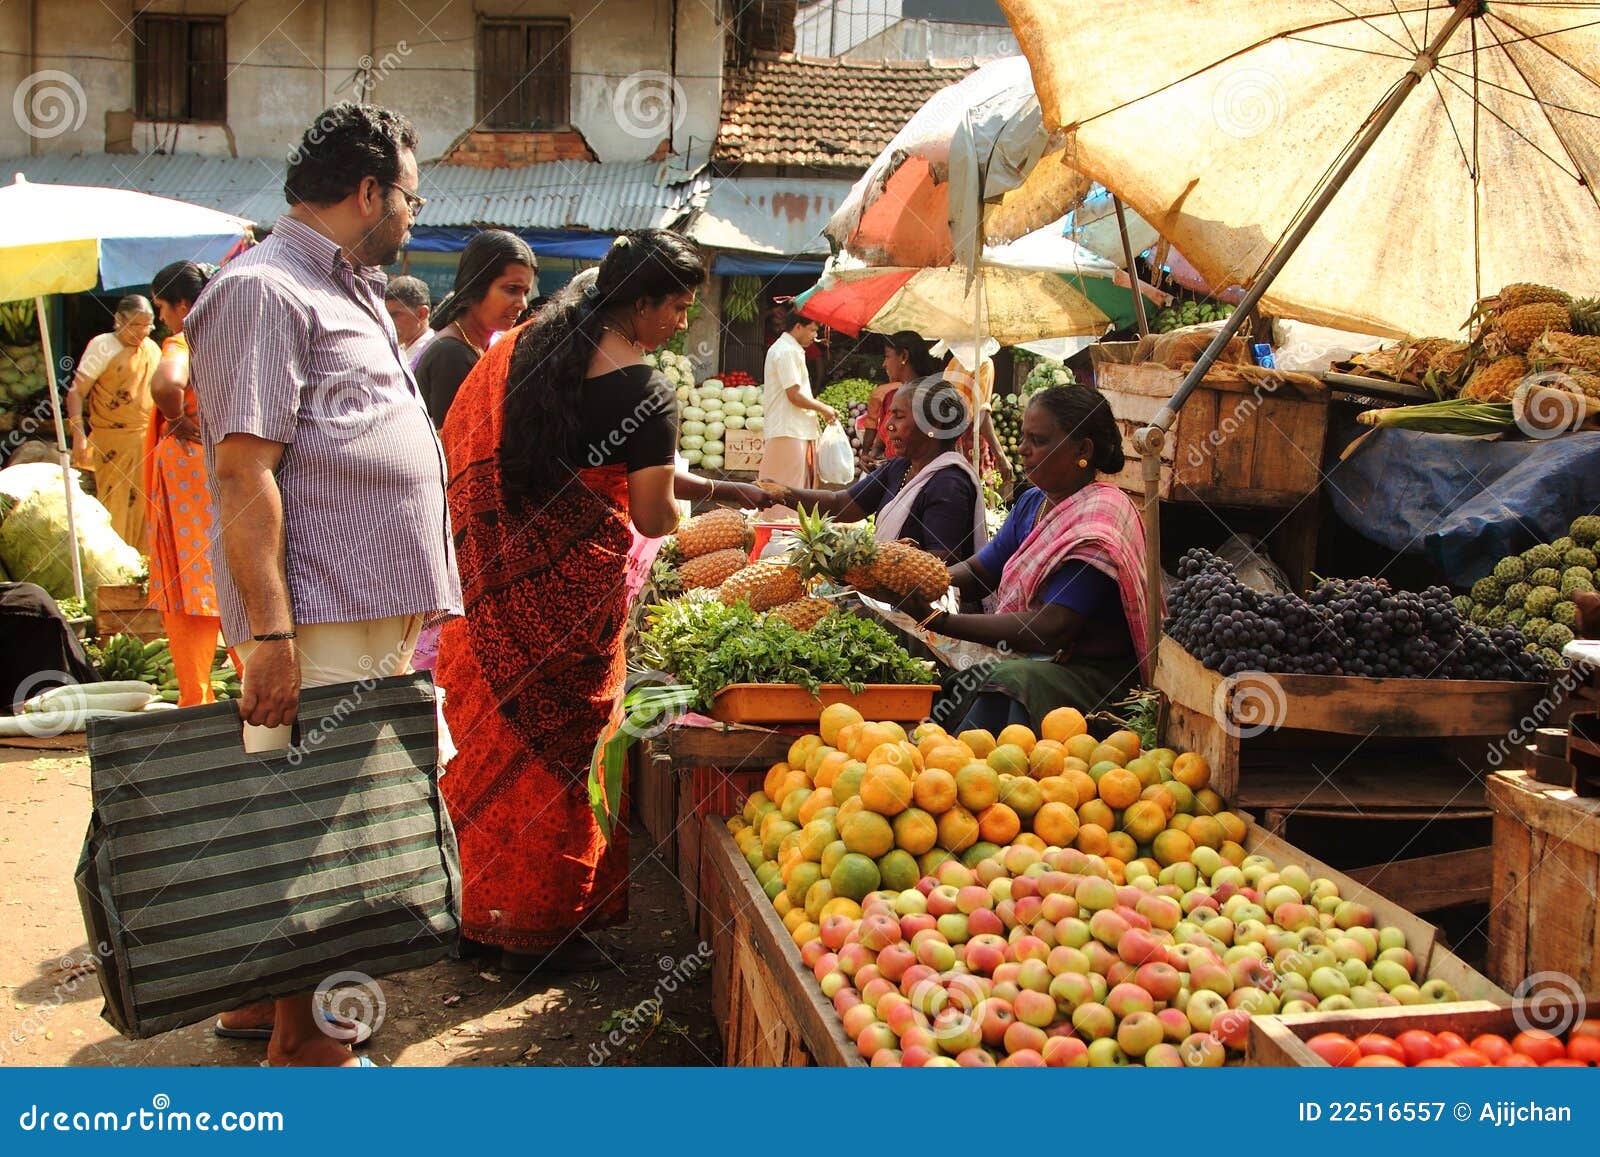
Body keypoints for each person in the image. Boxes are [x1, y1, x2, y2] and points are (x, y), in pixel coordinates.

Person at [187, 101, 459, 1068]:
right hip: (315, 611)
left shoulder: (346, 284)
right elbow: (242, 471)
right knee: (329, 822)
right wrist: (272, 634)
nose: (415, 218)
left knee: (309, 805)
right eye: (411, 199)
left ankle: (270, 1009)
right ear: (369, 192)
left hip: (354, 605)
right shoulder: (264, 289)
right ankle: (314, 1045)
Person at [435, 229, 771, 974]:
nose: (682, 322)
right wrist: (702, 515)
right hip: (575, 602)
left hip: (489, 591)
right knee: (562, 755)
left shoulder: (517, 352)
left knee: (491, 743)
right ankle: (547, 920)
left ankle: (475, 909)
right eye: (677, 307)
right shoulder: (645, 393)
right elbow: (653, 518)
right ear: (641, 303)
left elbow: (466, 456)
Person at [897, 384, 1154, 732]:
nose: (1022, 449)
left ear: (1083, 449)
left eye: (1038, 440)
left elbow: (1050, 627)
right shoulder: (1034, 502)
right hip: (1038, 659)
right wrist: (918, 576)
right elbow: (980, 571)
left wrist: (937, 620)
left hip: (1090, 677)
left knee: (1007, 678)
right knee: (907, 640)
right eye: (1023, 437)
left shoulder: (1100, 518)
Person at [144, 261, 237, 707]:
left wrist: (177, 418)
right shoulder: (234, 340)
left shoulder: (184, 340)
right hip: (234, 465)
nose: (161, 317)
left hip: (189, 474)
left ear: (182, 304)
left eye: (162, 307)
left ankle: (194, 703)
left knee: (189, 587)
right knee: (239, 581)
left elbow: (167, 383)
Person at [770, 377, 986, 563]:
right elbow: (840, 504)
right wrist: (778, 493)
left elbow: (940, 566)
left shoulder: (948, 485)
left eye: (899, 416)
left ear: (933, 425)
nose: (888, 426)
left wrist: (876, 563)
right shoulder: (900, 467)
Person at [414, 230, 535, 428]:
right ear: (476, 285)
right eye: (511, 289)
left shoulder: (488, 343)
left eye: (526, 292)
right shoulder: (451, 354)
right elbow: (459, 445)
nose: (522, 304)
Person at [66, 296, 160, 549]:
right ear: (118, 320)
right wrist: (78, 434)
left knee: (147, 509)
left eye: (147, 326)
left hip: (147, 441)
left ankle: (146, 571)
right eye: (135, 325)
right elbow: (76, 393)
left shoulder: (152, 349)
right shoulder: (103, 346)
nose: (141, 332)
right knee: (114, 507)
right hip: (112, 444)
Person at [759, 308, 836, 515]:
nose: (815, 336)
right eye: (812, 330)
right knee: (786, 494)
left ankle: (777, 535)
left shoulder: (788, 349)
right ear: (798, 326)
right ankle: (777, 537)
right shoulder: (787, 351)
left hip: (792, 430)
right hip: (789, 430)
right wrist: (824, 409)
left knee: (786, 492)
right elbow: (794, 394)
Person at [942, 338, 1015, 491]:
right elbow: (981, 413)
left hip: (950, 436)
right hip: (970, 438)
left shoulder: (955, 361)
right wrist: (1001, 457)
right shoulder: (984, 363)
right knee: (979, 488)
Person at [865, 331, 942, 461]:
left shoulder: (929, 398)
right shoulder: (892, 396)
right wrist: (873, 455)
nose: (884, 364)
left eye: (888, 356)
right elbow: (881, 442)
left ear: (904, 356)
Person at [384, 274, 434, 364]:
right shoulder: (401, 349)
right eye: (386, 315)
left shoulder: (433, 353)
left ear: (421, 314)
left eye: (396, 315)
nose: (388, 322)